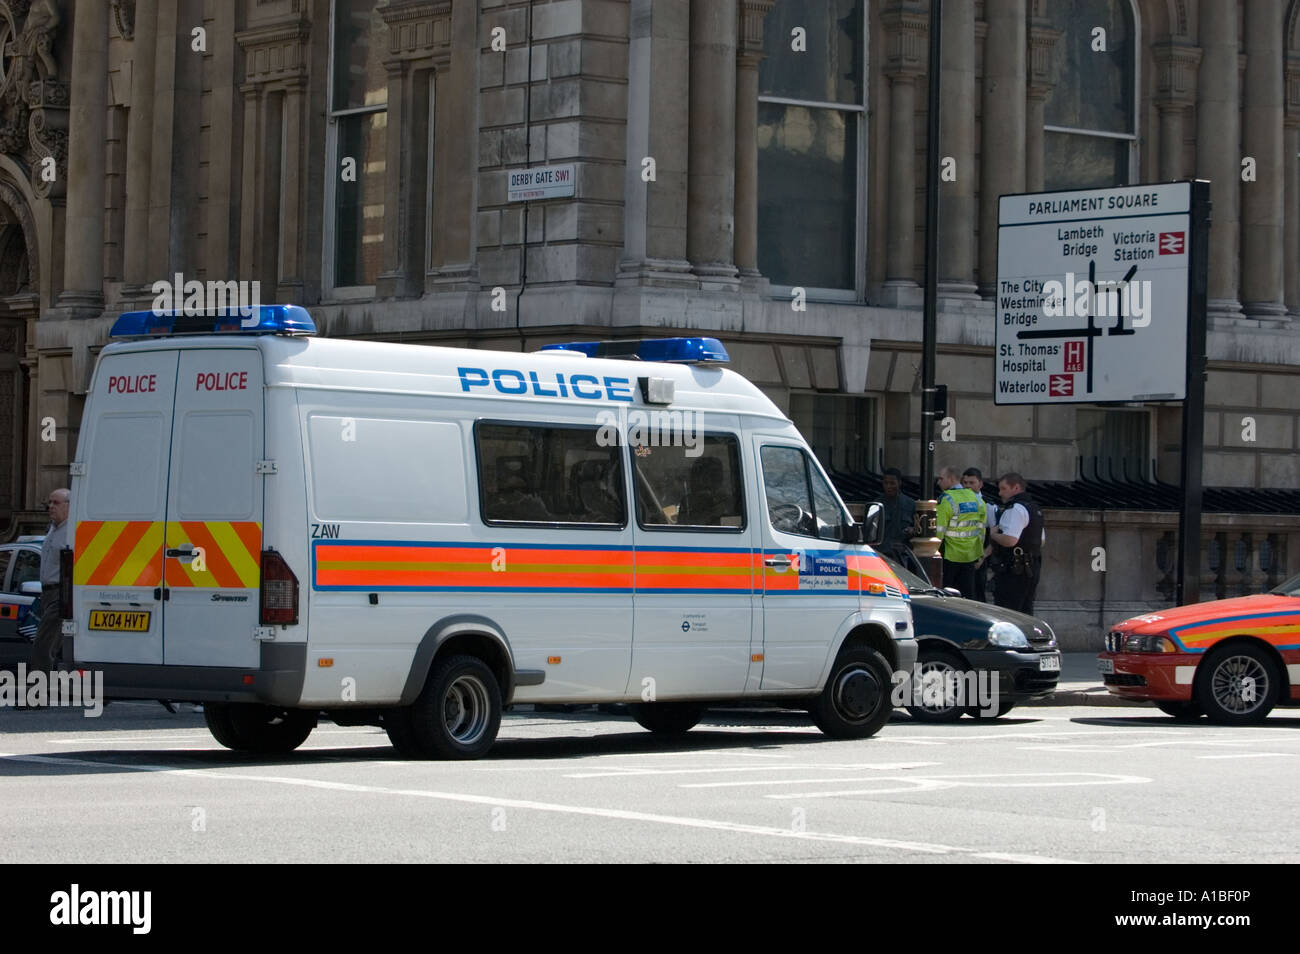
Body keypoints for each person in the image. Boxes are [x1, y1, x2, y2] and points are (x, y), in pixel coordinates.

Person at [986, 472, 1045, 614]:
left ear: (1016, 488)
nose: (1000, 493)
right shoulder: (1034, 508)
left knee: (1009, 612)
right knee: (1026, 609)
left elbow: (1010, 540)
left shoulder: (1015, 508)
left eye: (1003, 488)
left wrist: (994, 535)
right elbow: (1041, 541)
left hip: (1013, 569)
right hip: (1031, 567)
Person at [32, 488, 70, 674]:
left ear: (69, 506)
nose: (51, 507)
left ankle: (36, 695)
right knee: (55, 646)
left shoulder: (73, 531)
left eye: (56, 503)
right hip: (46, 594)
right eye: (50, 502)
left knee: (43, 645)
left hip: (60, 593)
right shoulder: (52, 529)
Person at [934, 466, 986, 599]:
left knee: (947, 597)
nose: (938, 482)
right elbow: (981, 531)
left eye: (941, 478)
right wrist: (979, 554)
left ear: (951, 479)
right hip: (970, 556)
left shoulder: (947, 499)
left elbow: (939, 531)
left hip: (950, 556)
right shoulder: (976, 499)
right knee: (967, 597)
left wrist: (933, 553)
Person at [962, 467, 990, 602]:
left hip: (978, 560)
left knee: (977, 596)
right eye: (965, 483)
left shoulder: (987, 505)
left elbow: (992, 533)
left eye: (971, 483)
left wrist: (982, 557)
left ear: (980, 484)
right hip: (960, 557)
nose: (968, 486)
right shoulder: (958, 503)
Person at [875, 467, 915, 558]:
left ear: (899, 483)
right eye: (886, 483)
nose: (889, 486)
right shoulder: (877, 504)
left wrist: (911, 530)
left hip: (902, 554)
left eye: (892, 483)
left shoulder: (910, 504)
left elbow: (917, 528)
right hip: (882, 553)